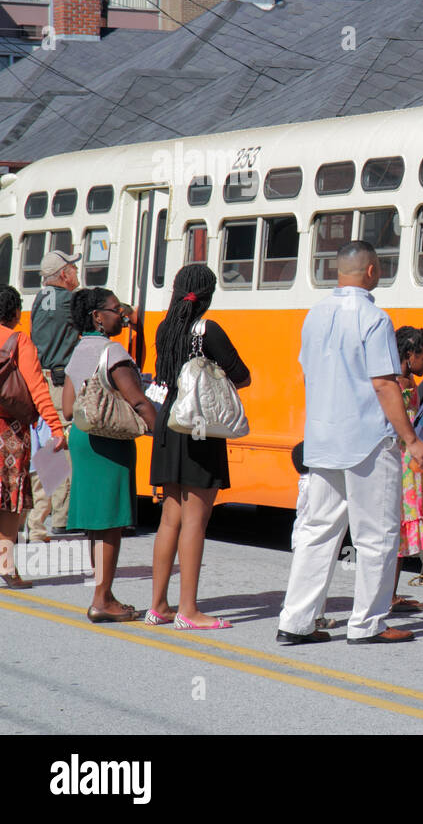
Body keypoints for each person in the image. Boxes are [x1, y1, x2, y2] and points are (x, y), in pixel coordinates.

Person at [277, 242, 423, 646]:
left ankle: (295, 622)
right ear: (370, 271)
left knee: (317, 532)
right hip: (366, 442)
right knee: (376, 535)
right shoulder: (374, 317)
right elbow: (384, 382)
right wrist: (411, 438)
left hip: (323, 439)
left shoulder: (314, 316)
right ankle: (367, 624)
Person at [146, 264, 251, 629]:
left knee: (169, 518)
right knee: (196, 518)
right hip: (198, 426)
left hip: (168, 423)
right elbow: (241, 374)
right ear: (207, 294)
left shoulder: (164, 328)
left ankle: (158, 605)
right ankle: (188, 610)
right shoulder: (208, 329)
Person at [61, 287, 156, 622]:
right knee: (111, 523)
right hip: (110, 445)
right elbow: (139, 402)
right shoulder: (112, 352)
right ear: (97, 317)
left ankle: (104, 593)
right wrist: (162, 437)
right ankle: (102, 599)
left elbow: (68, 408)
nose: (124, 315)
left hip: (84, 441)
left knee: (97, 525)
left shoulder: (78, 351)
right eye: (117, 310)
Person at [0, 285, 67, 588]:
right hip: (10, 432)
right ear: (14, 312)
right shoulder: (18, 340)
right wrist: (55, 427)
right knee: (10, 503)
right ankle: (6, 567)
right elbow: (38, 387)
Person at [26, 250, 80, 542]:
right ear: (64, 275)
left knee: (47, 445)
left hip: (41, 380)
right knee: (63, 444)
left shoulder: (38, 300)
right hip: (60, 384)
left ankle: (39, 517)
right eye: (72, 268)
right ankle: (60, 518)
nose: (76, 272)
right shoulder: (70, 301)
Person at [391, 325, 423, 613]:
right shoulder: (394, 383)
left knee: (399, 533)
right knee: (396, 530)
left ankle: (390, 594)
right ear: (409, 354)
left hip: (409, 464)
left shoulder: (405, 378)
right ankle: (386, 595)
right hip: (400, 464)